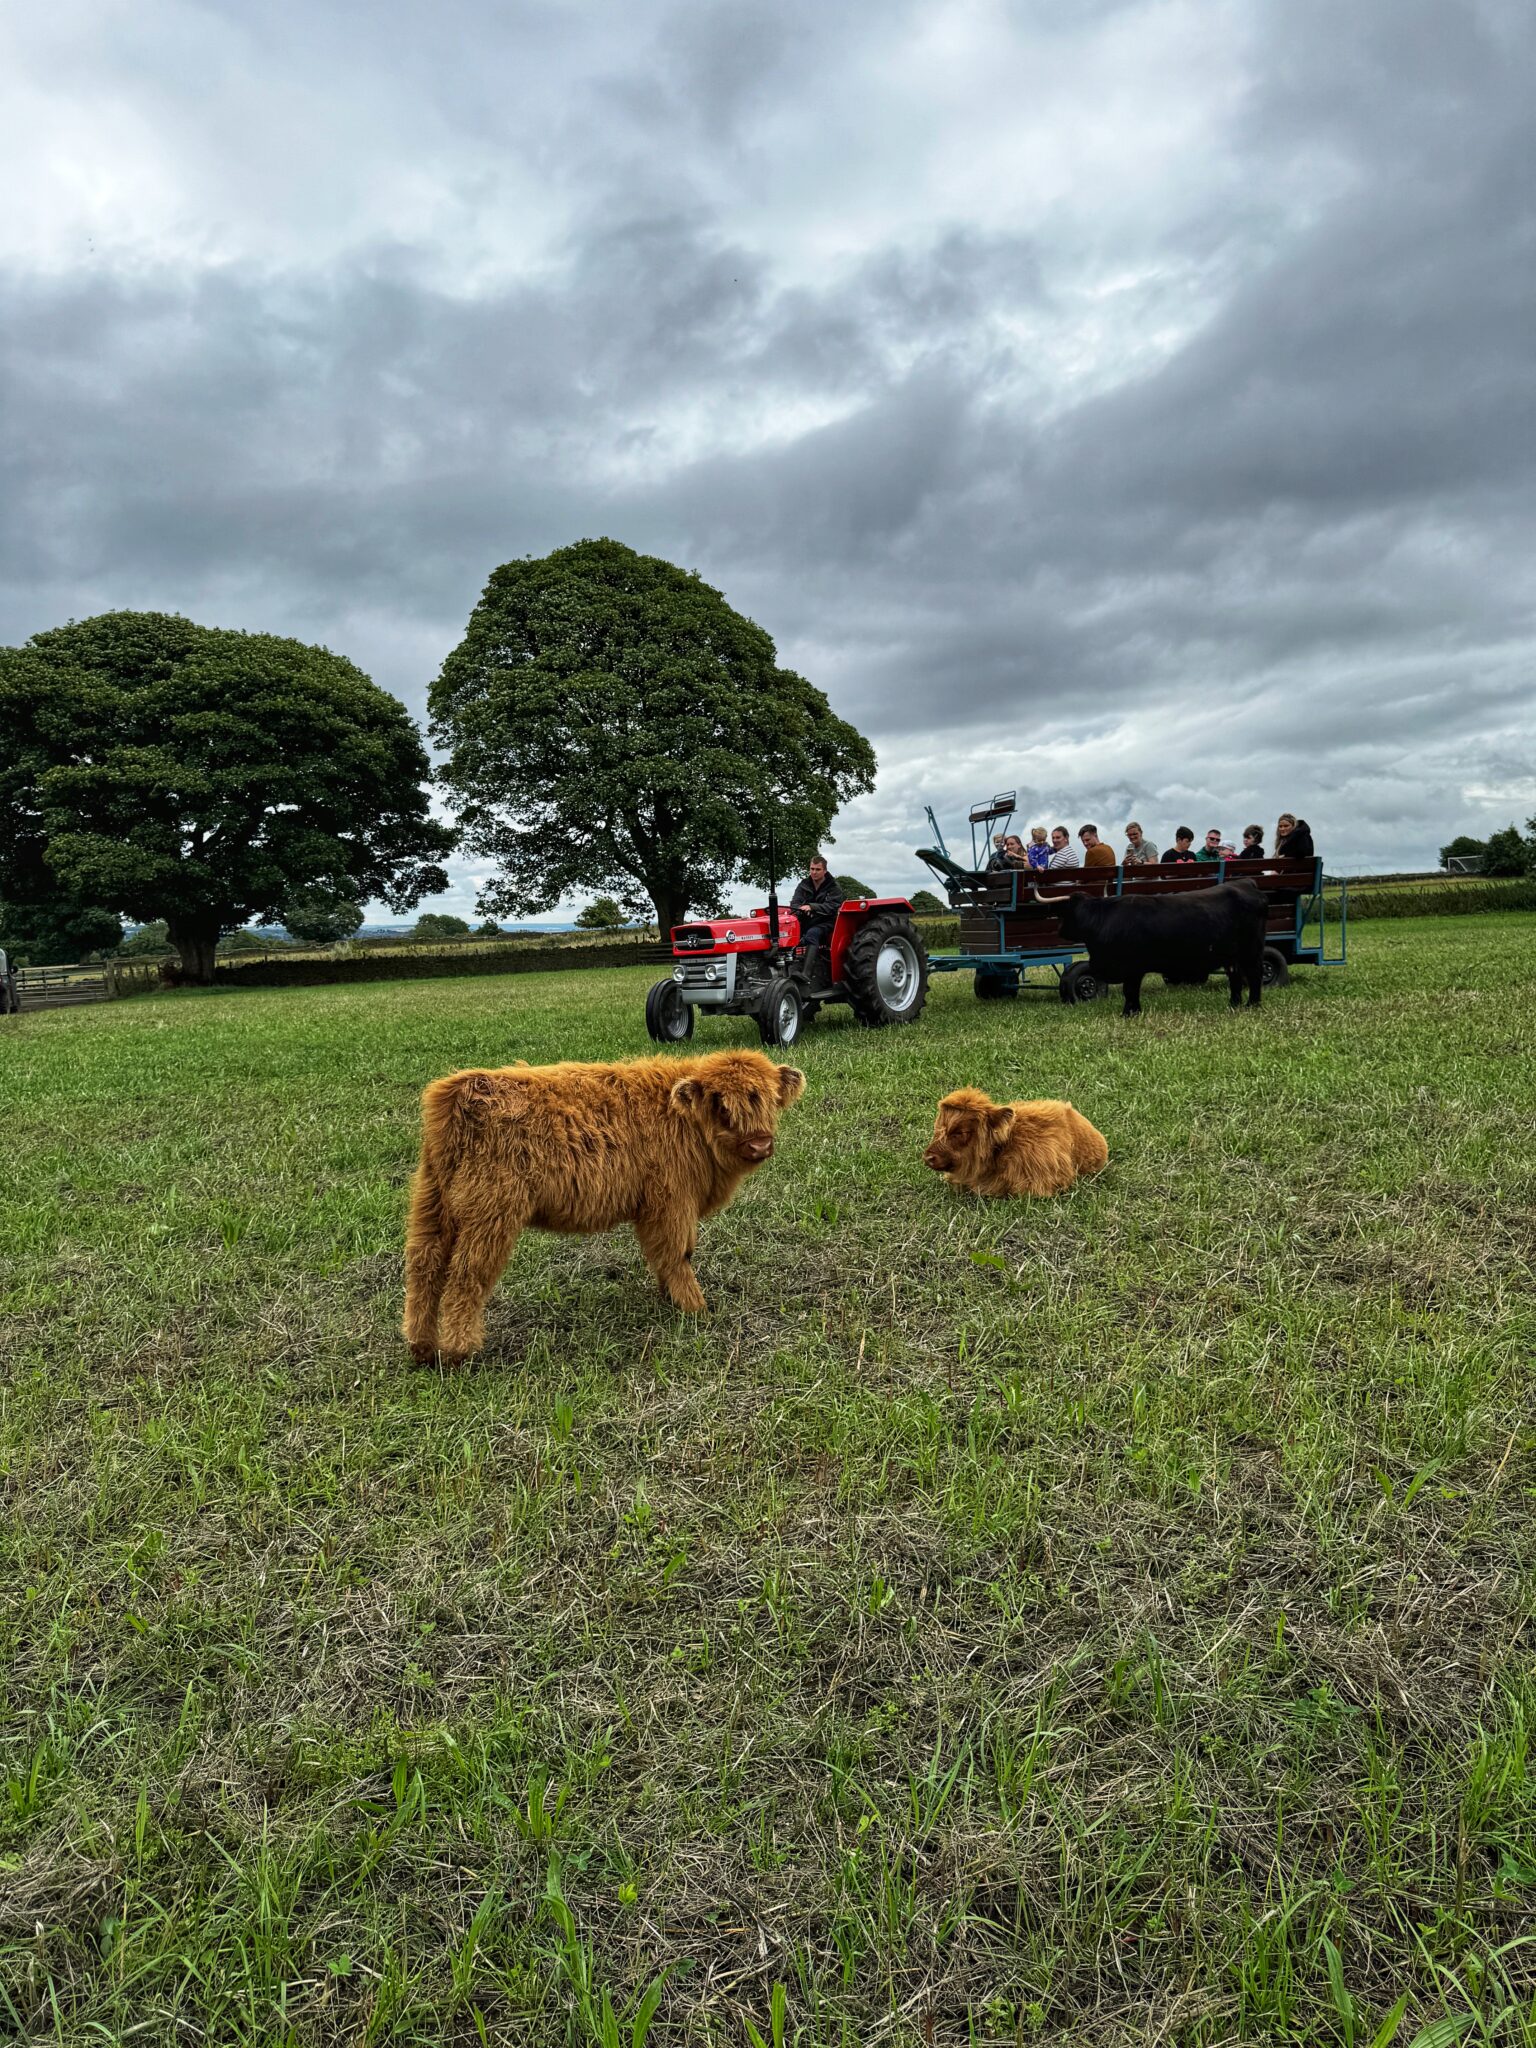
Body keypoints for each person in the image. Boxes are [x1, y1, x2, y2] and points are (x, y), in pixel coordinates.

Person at [790, 853, 841, 983]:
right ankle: (787, 969)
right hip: (807, 921)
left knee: (812, 934)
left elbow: (832, 907)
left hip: (827, 922)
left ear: (824, 871)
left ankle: (806, 974)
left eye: (817, 869)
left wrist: (812, 907)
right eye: (812, 869)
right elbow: (795, 903)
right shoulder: (804, 885)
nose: (814, 872)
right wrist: (801, 909)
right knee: (788, 935)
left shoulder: (833, 887)